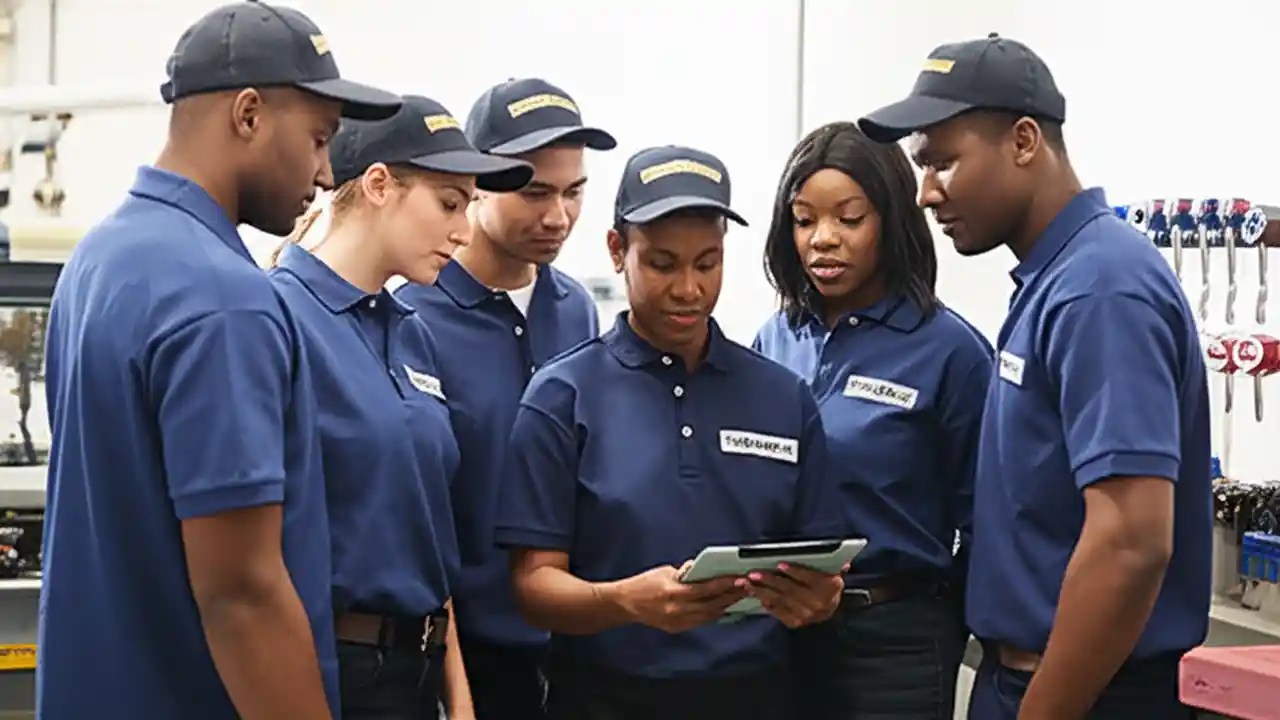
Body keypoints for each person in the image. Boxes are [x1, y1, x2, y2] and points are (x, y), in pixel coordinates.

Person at [38, 3, 400, 719]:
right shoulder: (221, 297)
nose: (327, 175)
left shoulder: (100, 257)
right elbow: (242, 593)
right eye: (319, 139)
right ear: (248, 114)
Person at [859, 34, 1212, 719]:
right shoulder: (1055, 281)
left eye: (942, 162)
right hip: (1025, 680)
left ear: (1024, 141)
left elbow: (1131, 542)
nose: (926, 193)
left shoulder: (1100, 289)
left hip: (1085, 696)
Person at [495, 145, 847, 720]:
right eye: (662, 263)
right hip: (604, 697)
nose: (688, 289)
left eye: (707, 263)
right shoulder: (563, 397)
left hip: (757, 695)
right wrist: (625, 603)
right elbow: (534, 588)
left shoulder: (784, 398)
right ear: (618, 251)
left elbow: (822, 572)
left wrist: (818, 599)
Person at [269, 95, 534, 719]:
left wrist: (459, 701)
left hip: (418, 670)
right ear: (380, 184)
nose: (464, 230)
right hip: (326, 670)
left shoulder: (410, 331)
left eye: (468, 206)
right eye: (449, 203)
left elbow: (426, 537)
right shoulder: (278, 318)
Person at [753, 121, 992, 719]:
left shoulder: (950, 350)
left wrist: (944, 624)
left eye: (849, 219)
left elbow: (989, 523)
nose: (822, 240)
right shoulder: (775, 338)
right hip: (776, 633)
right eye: (804, 220)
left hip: (895, 643)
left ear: (890, 219)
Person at [395, 77, 614, 720]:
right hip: (463, 650)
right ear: (477, 184)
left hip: (569, 638)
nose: (558, 217)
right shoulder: (413, 312)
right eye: (534, 191)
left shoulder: (574, 307)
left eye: (574, 192)